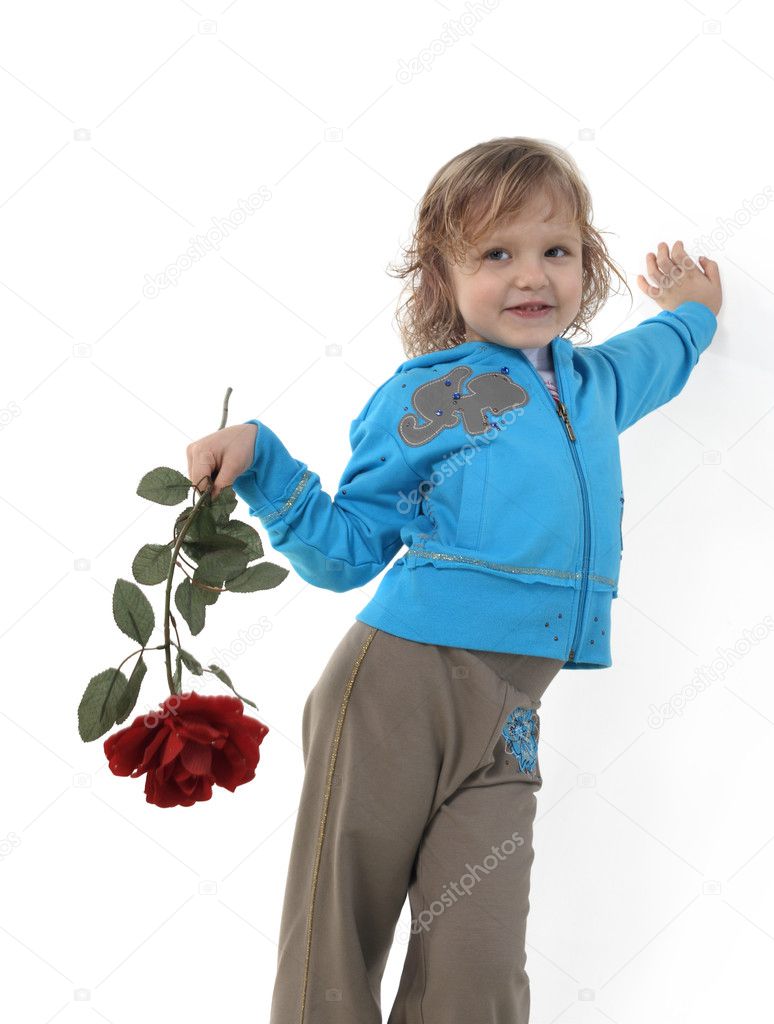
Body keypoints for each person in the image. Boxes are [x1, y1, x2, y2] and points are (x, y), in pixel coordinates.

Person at [186, 136, 722, 1024]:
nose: (531, 276)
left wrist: (694, 311)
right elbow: (345, 552)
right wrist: (261, 463)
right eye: (496, 254)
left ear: (588, 264)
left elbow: (662, 354)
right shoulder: (427, 394)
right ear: (439, 276)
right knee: (338, 925)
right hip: (398, 683)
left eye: (555, 250)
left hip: (513, 707)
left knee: (478, 954)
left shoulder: (593, 385)